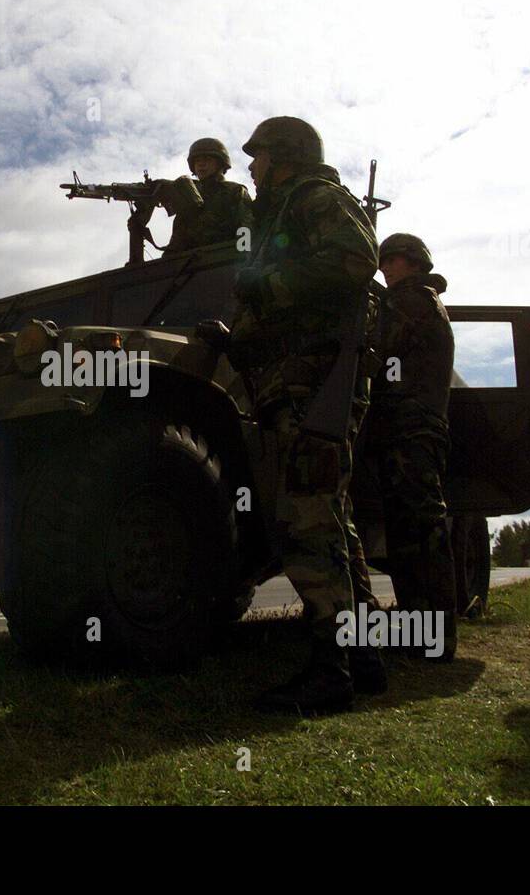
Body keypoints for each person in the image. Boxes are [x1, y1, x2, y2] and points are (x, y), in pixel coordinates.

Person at [228, 116, 383, 713]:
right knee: (330, 516)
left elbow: (355, 258)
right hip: (297, 382)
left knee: (304, 520)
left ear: (285, 155)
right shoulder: (279, 211)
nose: (252, 165)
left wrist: (270, 289)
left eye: (259, 154)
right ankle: (361, 656)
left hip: (313, 383)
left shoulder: (316, 197)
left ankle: (331, 671)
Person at [364, 232, 457, 660]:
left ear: (415, 261)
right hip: (403, 432)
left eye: (393, 260)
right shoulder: (406, 300)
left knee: (422, 532)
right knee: (406, 537)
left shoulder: (414, 301)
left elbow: (378, 347)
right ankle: (419, 630)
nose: (386, 267)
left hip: (413, 433)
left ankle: (435, 637)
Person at [160, 138, 254, 254]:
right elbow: (177, 242)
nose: (200, 164)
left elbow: (246, 228)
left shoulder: (234, 191)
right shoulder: (188, 197)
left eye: (207, 159)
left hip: (226, 261)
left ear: (220, 163)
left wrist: (243, 257)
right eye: (197, 161)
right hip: (191, 266)